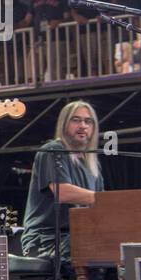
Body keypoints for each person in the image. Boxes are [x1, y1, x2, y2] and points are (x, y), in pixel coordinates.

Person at [21, 101, 103, 266]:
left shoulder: (93, 166)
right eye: (76, 120)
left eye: (88, 121)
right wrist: (107, 200)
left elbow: (100, 208)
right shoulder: (53, 150)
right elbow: (63, 192)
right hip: (45, 239)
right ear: (64, 124)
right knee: (95, 251)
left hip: (77, 236)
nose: (82, 126)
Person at [69, 0, 123, 76]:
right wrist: (76, 16)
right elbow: (72, 6)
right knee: (91, 63)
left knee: (108, 59)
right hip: (87, 29)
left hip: (106, 27)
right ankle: (95, 85)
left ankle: (111, 84)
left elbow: (116, 2)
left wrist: (107, 14)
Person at [29, 0, 71, 81]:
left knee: (55, 70)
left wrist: (59, 21)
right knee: (34, 70)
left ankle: (58, 90)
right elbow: (28, 19)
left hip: (56, 38)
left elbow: (69, 17)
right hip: (39, 39)